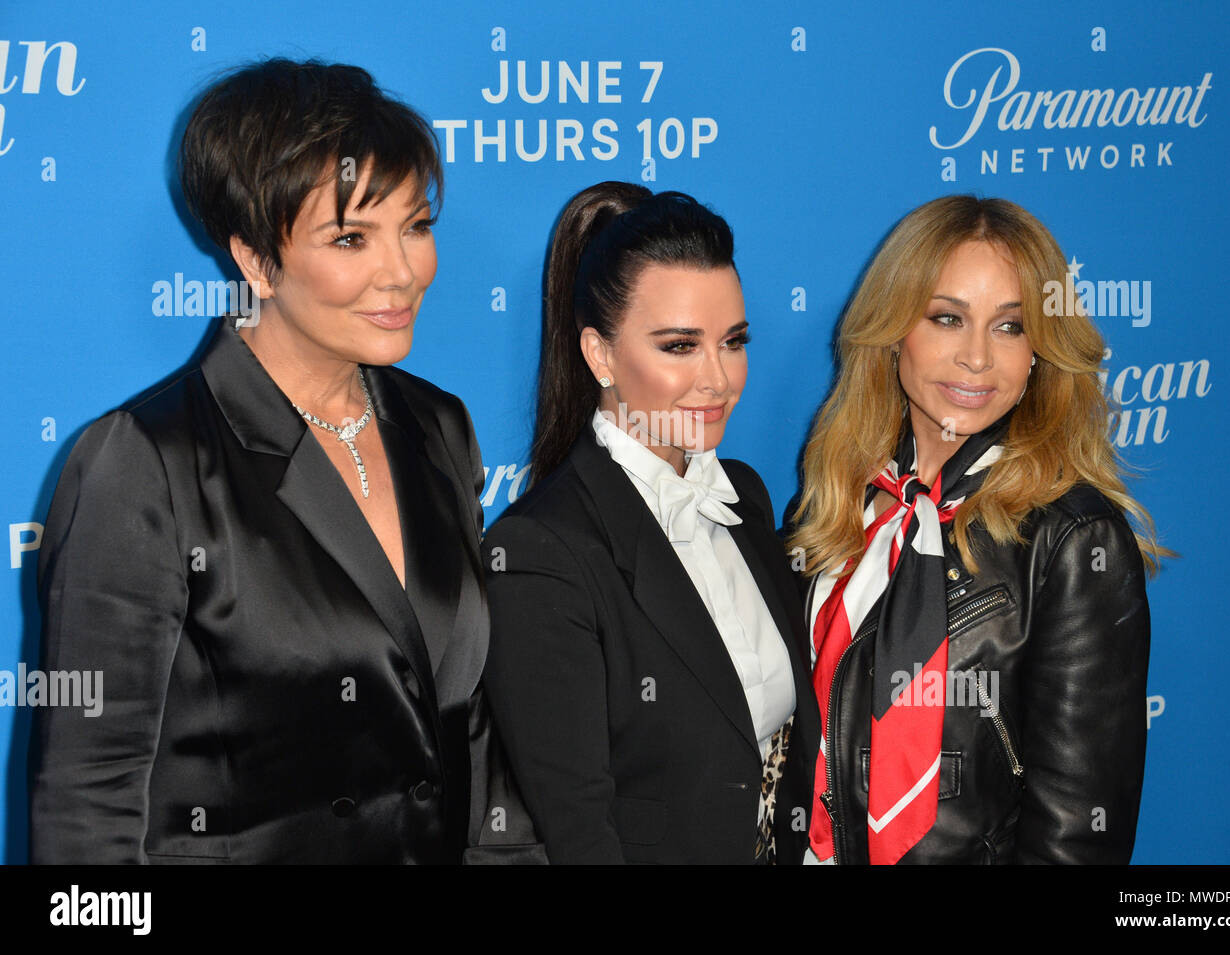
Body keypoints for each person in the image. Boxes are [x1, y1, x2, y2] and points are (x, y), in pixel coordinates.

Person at [28, 59, 489, 863]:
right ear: (252, 258)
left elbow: (472, 732)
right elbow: (85, 812)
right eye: (351, 237)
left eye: (415, 225)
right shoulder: (146, 462)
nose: (403, 272)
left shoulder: (437, 425)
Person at [788, 195, 1163, 865]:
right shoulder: (839, 502)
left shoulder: (1076, 541)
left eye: (1011, 327)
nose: (977, 358)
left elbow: (1078, 839)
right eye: (947, 318)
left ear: (1041, 352)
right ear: (894, 329)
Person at [481, 182, 819, 864]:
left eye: (733, 341)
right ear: (601, 354)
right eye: (679, 346)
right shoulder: (540, 552)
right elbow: (580, 832)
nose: (718, 379)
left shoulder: (745, 495)